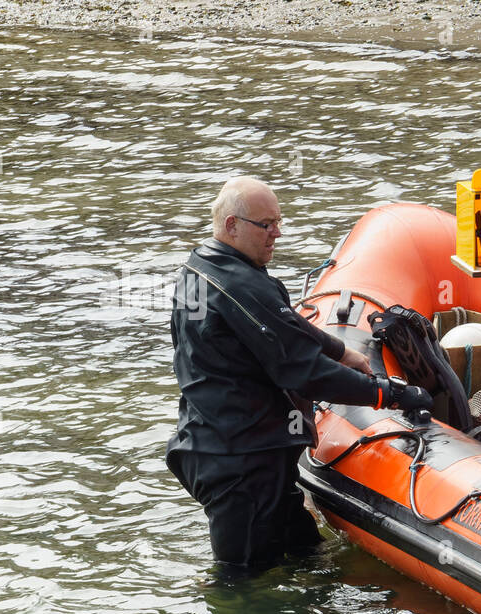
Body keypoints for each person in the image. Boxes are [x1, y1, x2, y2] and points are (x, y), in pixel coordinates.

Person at [165, 176, 430, 574]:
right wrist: (389, 393)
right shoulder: (241, 286)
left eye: (278, 222)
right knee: (241, 582)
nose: (277, 233)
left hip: (231, 447)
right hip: (238, 464)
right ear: (232, 225)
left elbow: (283, 324)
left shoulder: (201, 268)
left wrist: (340, 349)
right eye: (266, 225)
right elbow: (305, 373)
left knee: (308, 552)